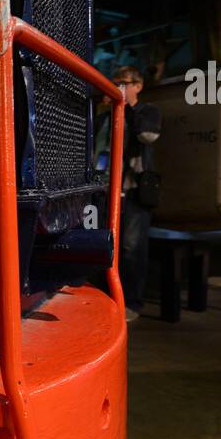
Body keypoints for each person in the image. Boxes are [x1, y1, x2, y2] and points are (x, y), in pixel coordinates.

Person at [96, 65, 161, 321]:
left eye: (124, 83)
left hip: (133, 190)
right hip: (105, 190)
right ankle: (105, 297)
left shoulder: (147, 112)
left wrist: (127, 108)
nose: (119, 87)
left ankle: (132, 302)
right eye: (116, 83)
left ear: (138, 86)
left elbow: (148, 136)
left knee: (132, 247)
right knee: (104, 245)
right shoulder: (105, 118)